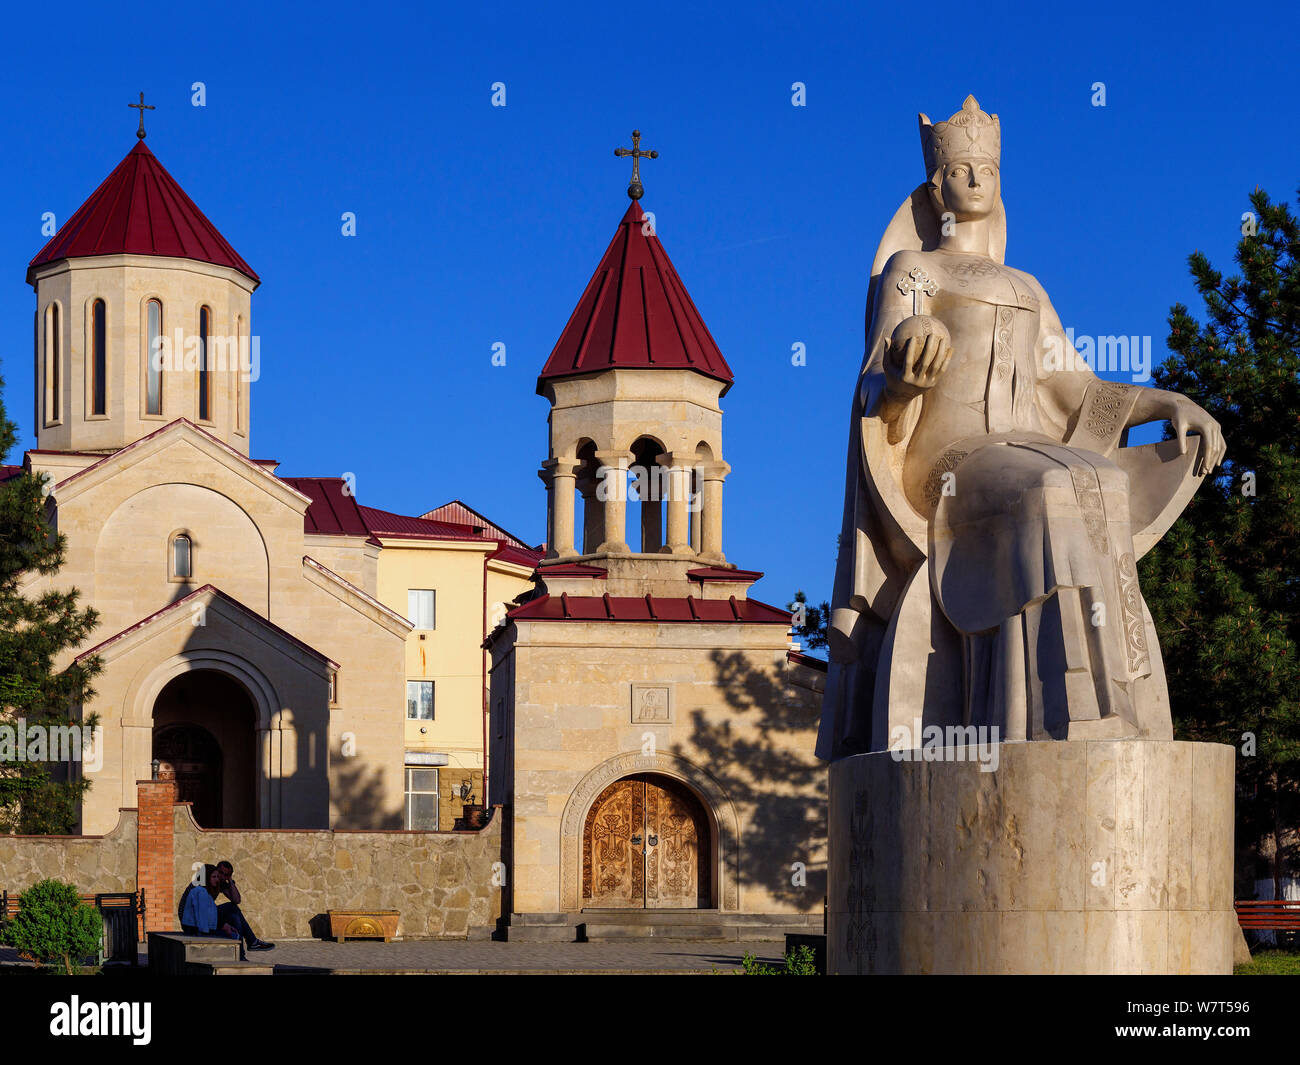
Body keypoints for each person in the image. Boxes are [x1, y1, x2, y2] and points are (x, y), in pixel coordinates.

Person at [214, 860, 274, 951]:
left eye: (226, 875)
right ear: (216, 869)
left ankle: (242, 955)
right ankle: (252, 942)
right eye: (220, 872)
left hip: (210, 913)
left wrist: (230, 881)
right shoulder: (210, 877)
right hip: (199, 916)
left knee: (235, 917)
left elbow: (236, 900)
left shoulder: (221, 882)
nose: (222, 876)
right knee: (231, 907)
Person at [180, 864, 242, 949]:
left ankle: (244, 949)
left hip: (202, 927)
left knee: (234, 920)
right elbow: (201, 915)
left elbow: (236, 900)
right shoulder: (201, 891)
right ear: (206, 877)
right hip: (194, 928)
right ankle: (243, 950)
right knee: (233, 936)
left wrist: (225, 925)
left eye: (217, 876)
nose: (217, 879)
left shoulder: (207, 891)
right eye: (214, 877)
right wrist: (206, 935)